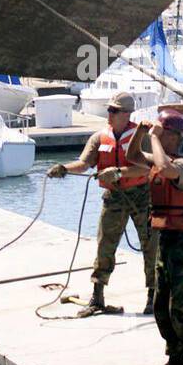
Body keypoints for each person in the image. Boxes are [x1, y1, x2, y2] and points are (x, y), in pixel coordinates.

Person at [46, 91, 157, 316]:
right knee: (105, 245)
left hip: (141, 196)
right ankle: (97, 298)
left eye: (114, 110)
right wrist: (64, 169)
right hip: (114, 198)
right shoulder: (99, 137)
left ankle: (153, 297)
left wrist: (118, 172)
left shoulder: (141, 136)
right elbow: (84, 163)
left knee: (150, 245)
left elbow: (148, 167)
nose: (109, 113)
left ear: (126, 114)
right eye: (109, 109)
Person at [123, 110, 183, 365]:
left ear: (175, 137)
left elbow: (166, 168)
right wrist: (141, 133)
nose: (160, 137)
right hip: (166, 242)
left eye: (164, 133)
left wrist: (154, 138)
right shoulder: (160, 160)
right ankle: (174, 358)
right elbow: (132, 157)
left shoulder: (182, 166)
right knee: (161, 304)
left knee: (182, 305)